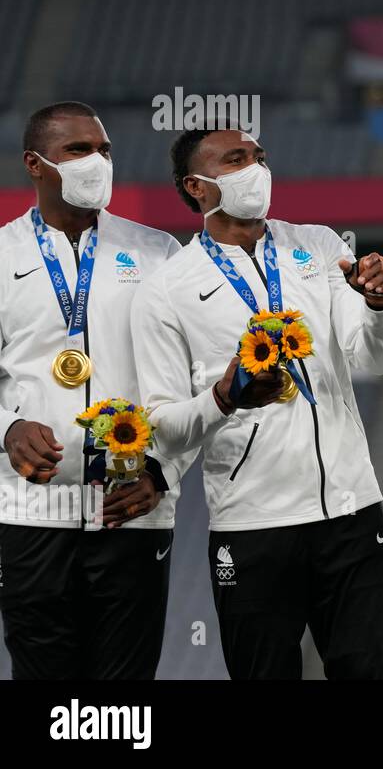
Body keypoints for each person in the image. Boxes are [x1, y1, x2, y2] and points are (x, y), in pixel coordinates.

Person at [130, 126, 383, 679]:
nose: (256, 168)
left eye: (258, 157)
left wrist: (380, 306)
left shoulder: (321, 245)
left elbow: (373, 360)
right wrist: (225, 397)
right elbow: (161, 427)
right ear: (197, 186)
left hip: (351, 514)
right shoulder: (166, 289)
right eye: (235, 160)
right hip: (252, 526)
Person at [0, 101, 182, 679]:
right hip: (30, 511)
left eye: (103, 150)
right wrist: (6, 428)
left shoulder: (160, 254)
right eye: (78, 151)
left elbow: (194, 383)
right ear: (35, 163)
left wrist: (162, 472)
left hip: (131, 508)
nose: (98, 161)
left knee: (125, 700)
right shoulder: (2, 255)